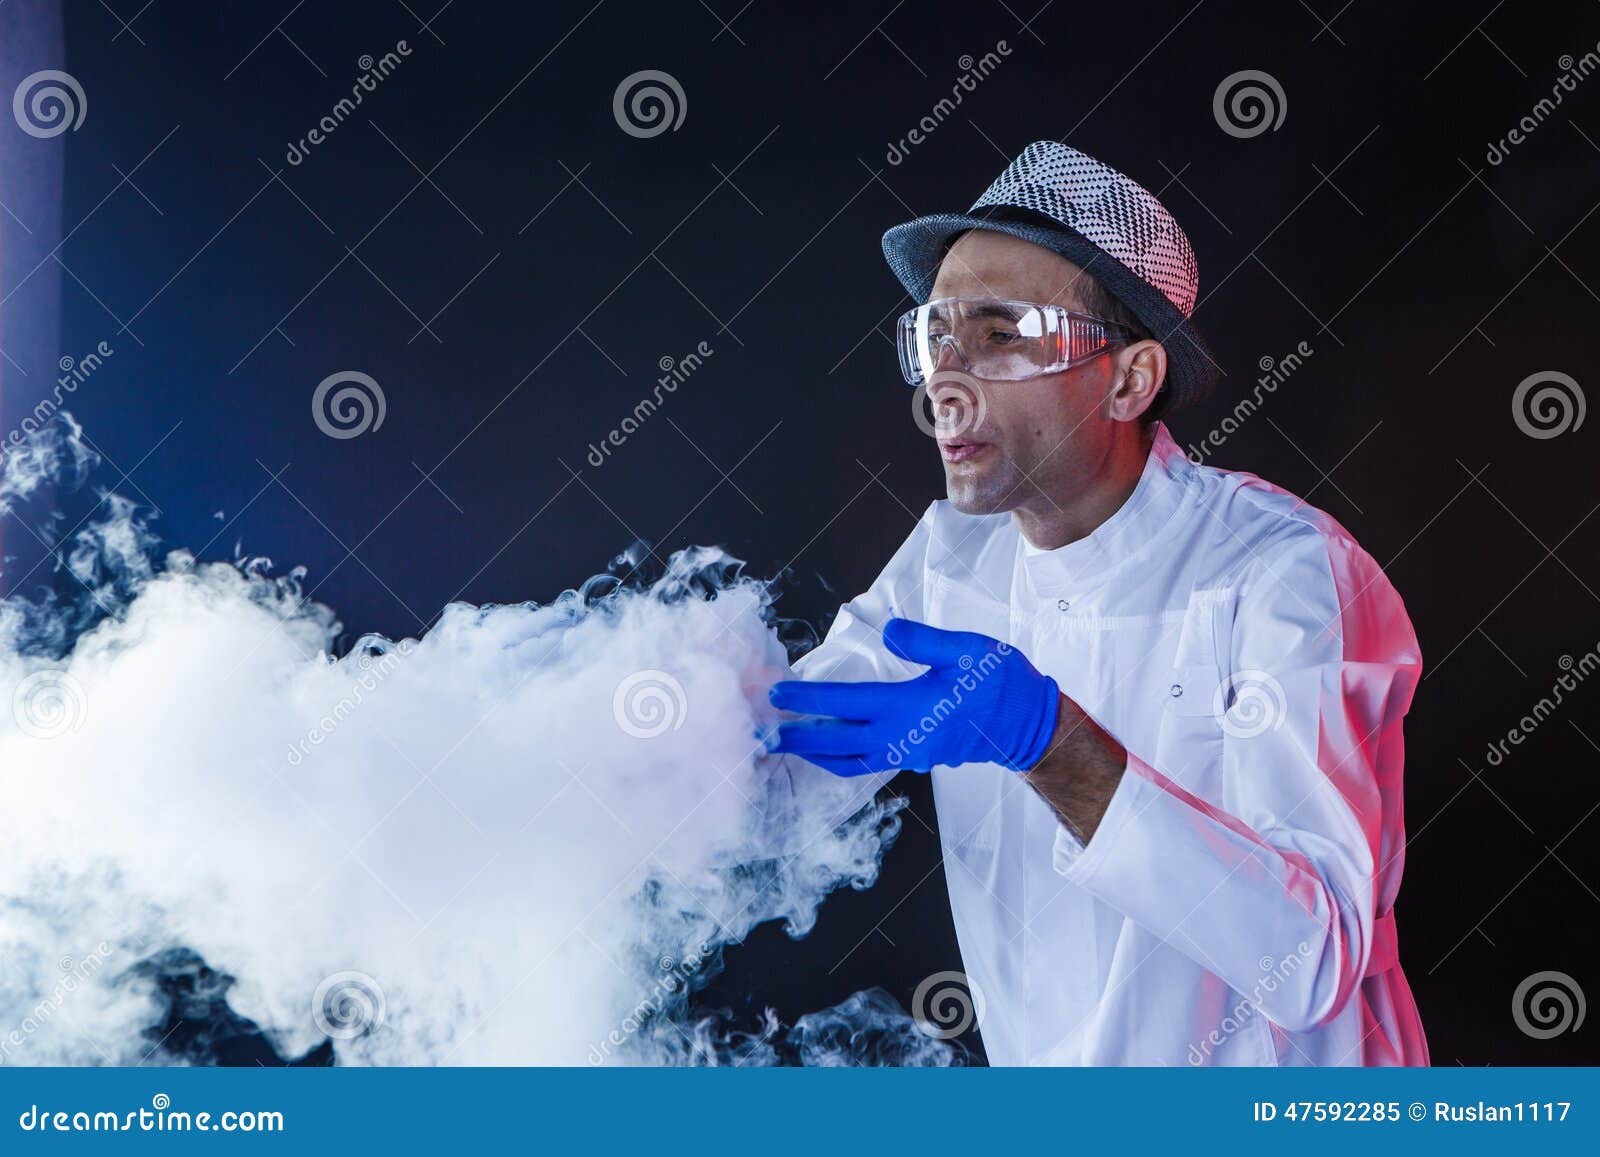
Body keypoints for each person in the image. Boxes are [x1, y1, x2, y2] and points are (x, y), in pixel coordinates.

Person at [765, 141, 1429, 1067]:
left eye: (1000, 334)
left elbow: (1311, 961)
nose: (945, 381)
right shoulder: (951, 561)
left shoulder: (1287, 573)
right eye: (935, 337)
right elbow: (777, 779)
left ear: (1130, 379)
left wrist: (1054, 745)